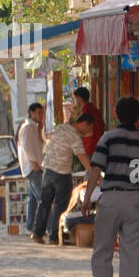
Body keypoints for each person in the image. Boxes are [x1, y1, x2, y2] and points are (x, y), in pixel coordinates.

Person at [82, 97, 139, 277]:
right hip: (136, 199)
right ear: (138, 116)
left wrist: (87, 198)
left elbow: (96, 169)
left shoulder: (108, 139)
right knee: (133, 255)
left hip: (111, 198)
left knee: (102, 252)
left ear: (116, 114)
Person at [32, 101, 90, 245]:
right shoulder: (75, 137)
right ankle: (54, 237)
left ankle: (37, 234)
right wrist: (95, 173)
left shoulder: (60, 128)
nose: (89, 131)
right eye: (90, 127)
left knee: (44, 203)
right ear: (84, 124)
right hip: (61, 174)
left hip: (48, 170)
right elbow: (83, 159)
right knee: (60, 205)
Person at [17, 102, 45, 236]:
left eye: (42, 113)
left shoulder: (33, 127)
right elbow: (27, 147)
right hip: (33, 167)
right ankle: (45, 229)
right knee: (42, 199)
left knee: (33, 200)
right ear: (31, 113)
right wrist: (34, 163)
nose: (41, 115)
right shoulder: (28, 127)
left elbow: (39, 144)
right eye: (39, 113)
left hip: (35, 166)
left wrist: (40, 129)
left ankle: (30, 228)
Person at [72, 85, 106, 158]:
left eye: (75, 98)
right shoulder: (95, 110)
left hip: (89, 147)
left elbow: (80, 131)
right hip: (98, 145)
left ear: (79, 98)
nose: (75, 101)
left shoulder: (86, 112)